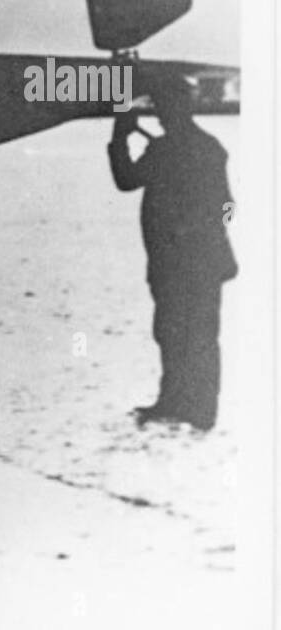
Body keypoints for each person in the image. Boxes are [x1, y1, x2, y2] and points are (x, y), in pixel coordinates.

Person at [108, 75, 237, 430]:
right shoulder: (204, 147)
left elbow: (125, 179)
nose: (161, 114)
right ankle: (182, 403)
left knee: (188, 333)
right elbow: (228, 206)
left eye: (164, 106)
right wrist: (214, 231)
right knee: (181, 331)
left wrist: (122, 134)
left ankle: (195, 408)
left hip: (183, 261)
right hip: (193, 260)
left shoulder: (170, 150)